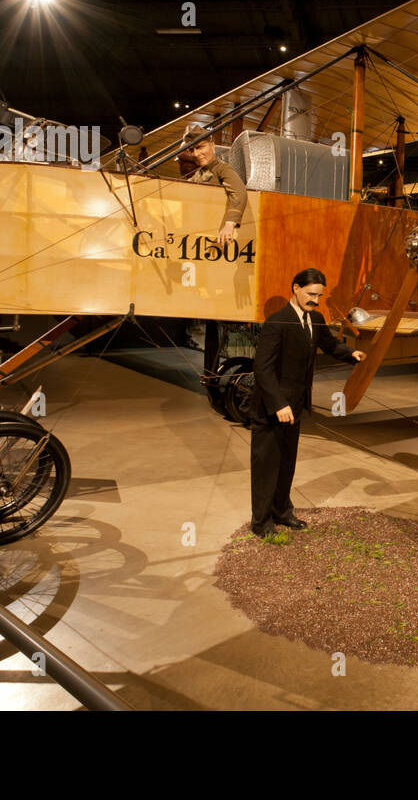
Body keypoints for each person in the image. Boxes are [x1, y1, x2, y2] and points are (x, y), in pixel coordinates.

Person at [249, 268, 365, 534]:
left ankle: (282, 512)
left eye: (319, 296)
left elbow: (330, 345)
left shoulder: (316, 318)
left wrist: (352, 354)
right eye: (311, 294)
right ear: (296, 288)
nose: (315, 300)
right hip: (273, 408)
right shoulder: (277, 322)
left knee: (287, 462)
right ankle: (261, 522)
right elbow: (262, 369)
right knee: (267, 465)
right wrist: (278, 404)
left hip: (297, 405)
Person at [178, 122, 247, 246]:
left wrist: (229, 225)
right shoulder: (198, 174)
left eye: (200, 147)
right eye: (192, 150)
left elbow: (238, 192)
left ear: (212, 145)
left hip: (213, 237)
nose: (196, 154)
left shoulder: (222, 169)